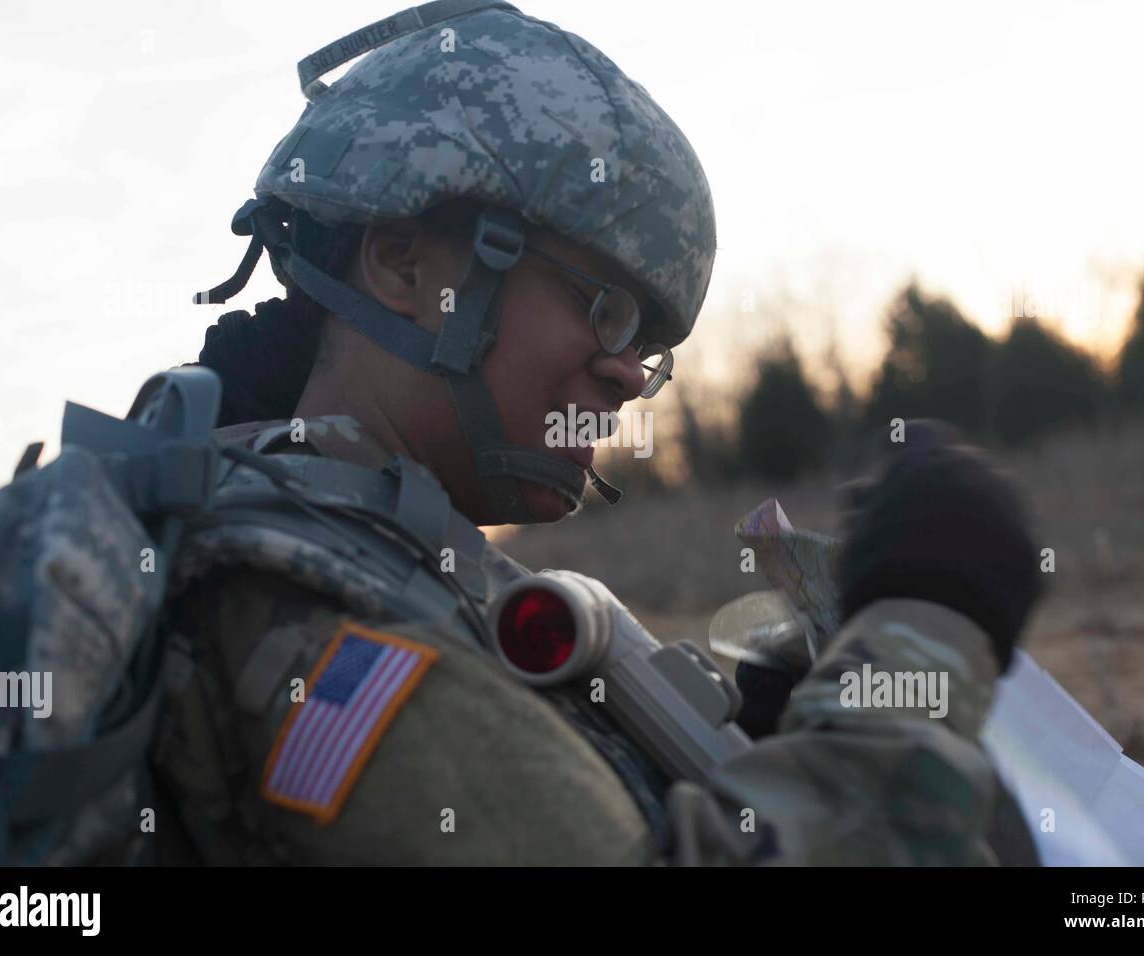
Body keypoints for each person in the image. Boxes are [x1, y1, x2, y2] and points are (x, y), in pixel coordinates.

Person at [150, 1, 1042, 865]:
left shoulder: (386, 557)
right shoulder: (304, 607)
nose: (626, 374)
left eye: (649, 346)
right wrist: (926, 630)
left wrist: (767, 740)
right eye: (601, 307)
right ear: (400, 261)